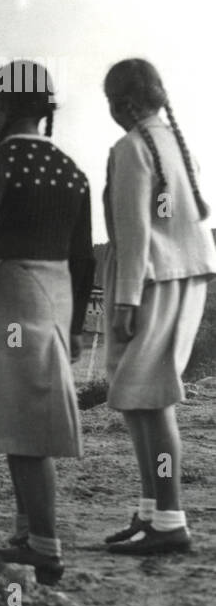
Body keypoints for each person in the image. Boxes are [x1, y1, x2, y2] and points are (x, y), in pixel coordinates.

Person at [0, 60, 95, 585]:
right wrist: (78, 326)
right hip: (56, 297)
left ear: (2, 107)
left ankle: (44, 546)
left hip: (11, 294)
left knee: (23, 425)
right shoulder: (72, 172)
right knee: (31, 412)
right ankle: (25, 531)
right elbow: (84, 258)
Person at [100, 58, 216, 555]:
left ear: (124, 104)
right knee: (139, 400)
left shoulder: (131, 149)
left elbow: (134, 231)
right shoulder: (169, 142)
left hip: (152, 280)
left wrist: (125, 300)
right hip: (183, 276)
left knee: (152, 401)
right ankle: (152, 511)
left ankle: (169, 520)